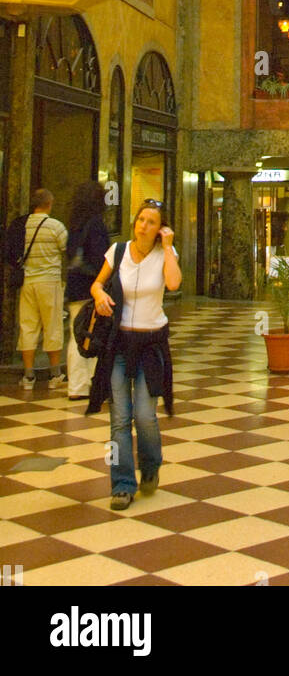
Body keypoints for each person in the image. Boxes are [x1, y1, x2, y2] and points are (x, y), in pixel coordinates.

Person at [87, 201, 181, 511]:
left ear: (160, 229)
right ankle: (122, 484)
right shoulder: (117, 252)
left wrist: (168, 247)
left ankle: (151, 465)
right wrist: (99, 294)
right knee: (119, 419)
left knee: (144, 415)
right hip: (119, 344)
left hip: (151, 346)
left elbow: (174, 283)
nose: (143, 225)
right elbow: (97, 283)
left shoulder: (165, 254)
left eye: (151, 221)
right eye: (141, 219)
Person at [16, 189, 68, 391]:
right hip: (50, 281)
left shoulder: (23, 225)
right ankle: (54, 374)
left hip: (28, 281)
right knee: (52, 325)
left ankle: (28, 376)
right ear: (50, 203)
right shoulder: (56, 226)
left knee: (27, 326)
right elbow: (67, 249)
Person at [65, 181, 111, 401]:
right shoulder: (96, 224)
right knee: (87, 334)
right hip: (91, 286)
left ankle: (81, 383)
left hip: (74, 285)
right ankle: (81, 385)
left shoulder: (75, 223)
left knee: (78, 332)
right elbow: (101, 258)